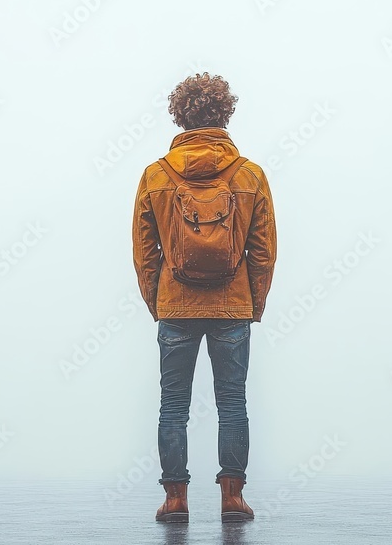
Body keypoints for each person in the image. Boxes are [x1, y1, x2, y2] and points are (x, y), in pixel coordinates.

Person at [132, 72, 277, 523]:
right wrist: (253, 303)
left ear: (179, 114)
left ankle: (176, 500)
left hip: (176, 306)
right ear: (225, 113)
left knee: (173, 404)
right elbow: (263, 251)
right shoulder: (250, 174)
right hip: (232, 307)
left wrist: (158, 301)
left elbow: (144, 251)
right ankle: (232, 498)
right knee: (232, 402)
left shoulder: (156, 174)